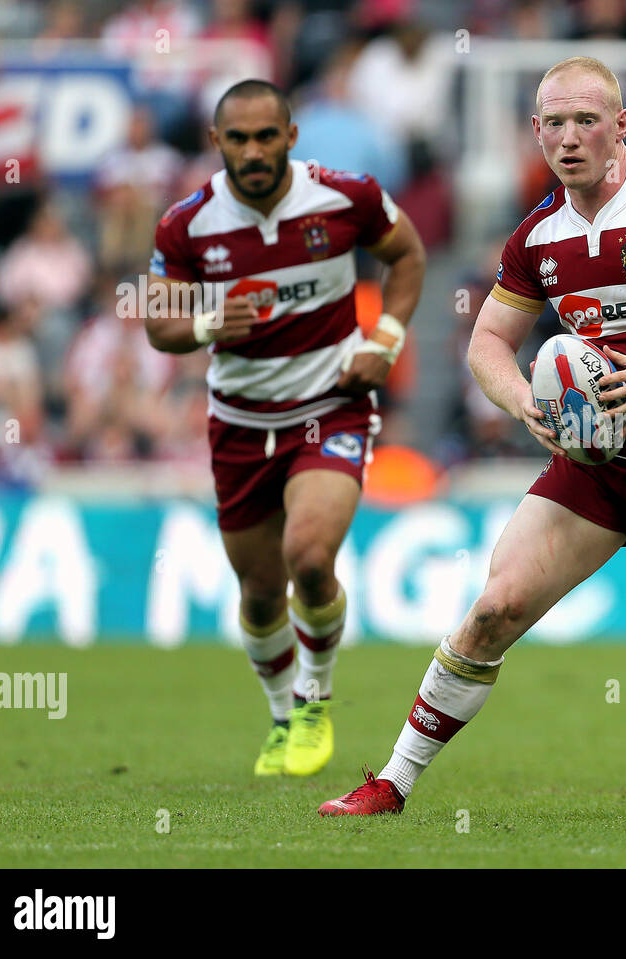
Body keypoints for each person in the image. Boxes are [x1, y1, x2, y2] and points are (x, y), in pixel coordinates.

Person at [319, 57, 626, 816]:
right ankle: (393, 781)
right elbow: (486, 345)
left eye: (586, 121)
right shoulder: (537, 235)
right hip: (597, 463)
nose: (570, 138)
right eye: (554, 124)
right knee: (494, 608)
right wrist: (523, 404)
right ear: (535, 131)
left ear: (620, 126)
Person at [144, 79, 426, 777]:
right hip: (239, 422)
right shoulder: (187, 224)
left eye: (266, 135)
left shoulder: (345, 195)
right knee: (261, 592)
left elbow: (408, 256)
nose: (253, 150)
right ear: (217, 144)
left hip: (328, 406)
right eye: (237, 138)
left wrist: (383, 341)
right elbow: (159, 322)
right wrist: (211, 323)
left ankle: (314, 700)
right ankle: (279, 714)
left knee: (309, 555)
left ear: (291, 137)